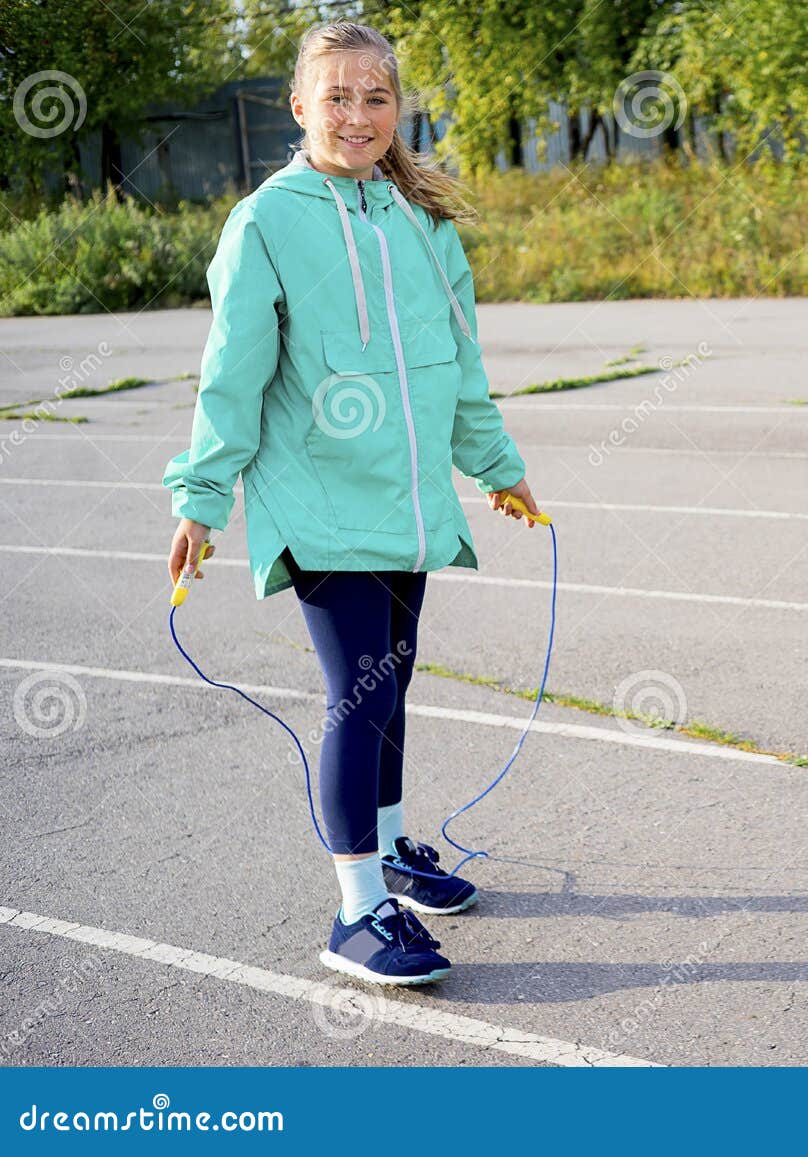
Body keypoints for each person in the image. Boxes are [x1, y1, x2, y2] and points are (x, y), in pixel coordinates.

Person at [163, 22, 542, 985]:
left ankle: (395, 850)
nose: (358, 115)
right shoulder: (266, 220)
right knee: (357, 690)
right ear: (299, 107)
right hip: (318, 500)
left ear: (397, 109)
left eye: (376, 98)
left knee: (392, 685)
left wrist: (495, 465)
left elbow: (460, 363)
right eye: (336, 97)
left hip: (408, 503)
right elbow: (232, 374)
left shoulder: (423, 219)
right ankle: (356, 913)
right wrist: (202, 498)